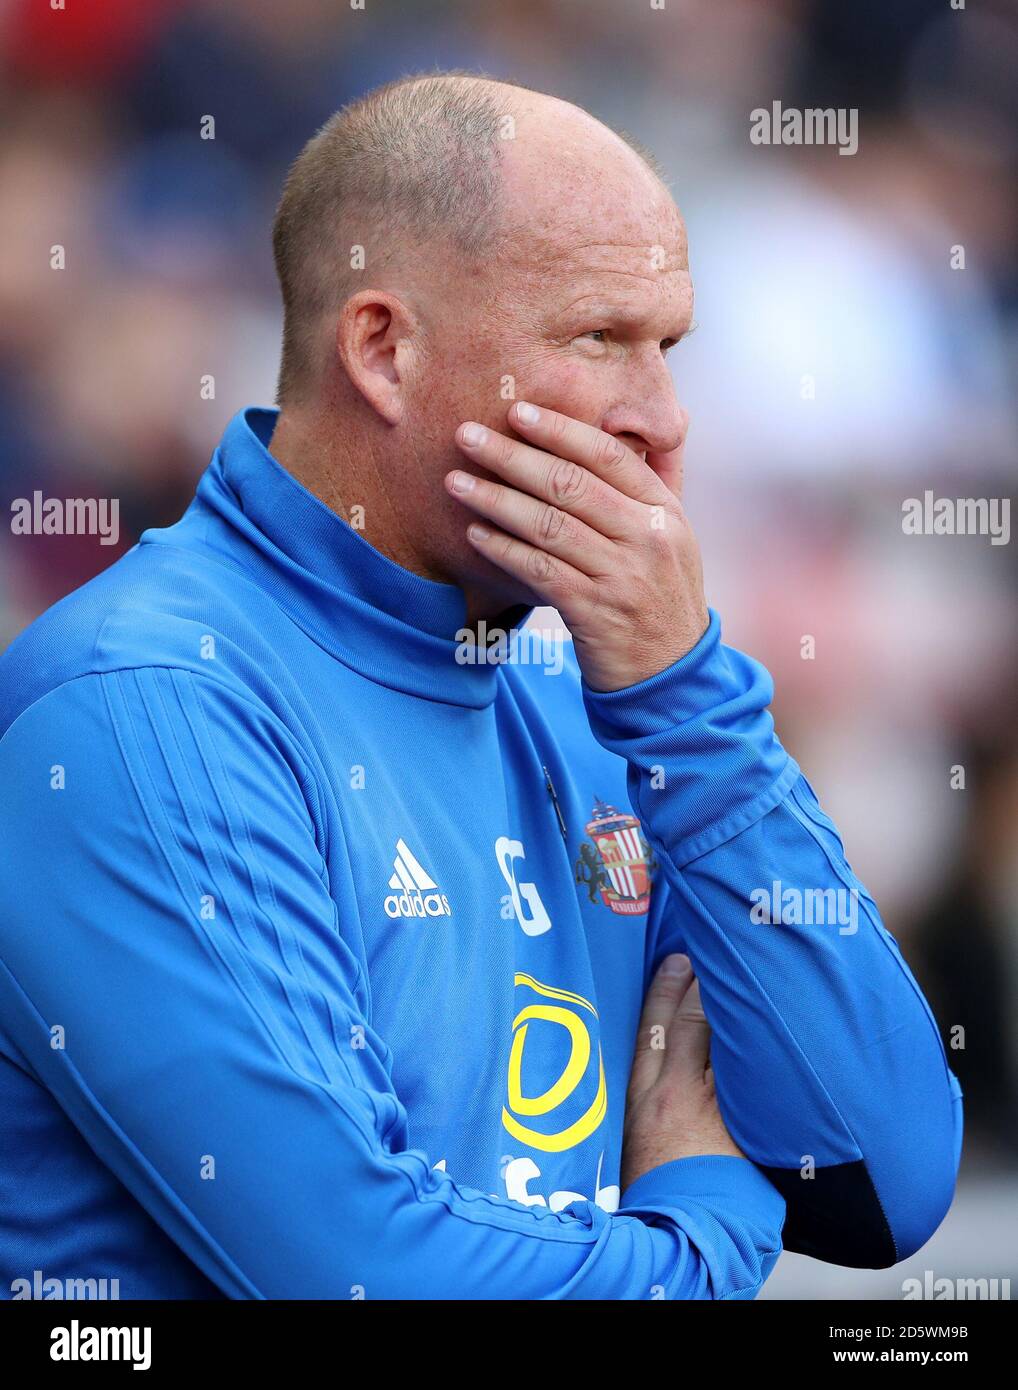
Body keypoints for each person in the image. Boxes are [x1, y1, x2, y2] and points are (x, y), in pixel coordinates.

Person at [0, 72, 961, 1300]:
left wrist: (686, 698)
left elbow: (883, 1179)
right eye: (598, 339)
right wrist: (709, 1225)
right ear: (384, 350)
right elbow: (364, 1277)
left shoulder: (607, 689)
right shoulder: (138, 707)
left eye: (667, 347)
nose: (664, 422)